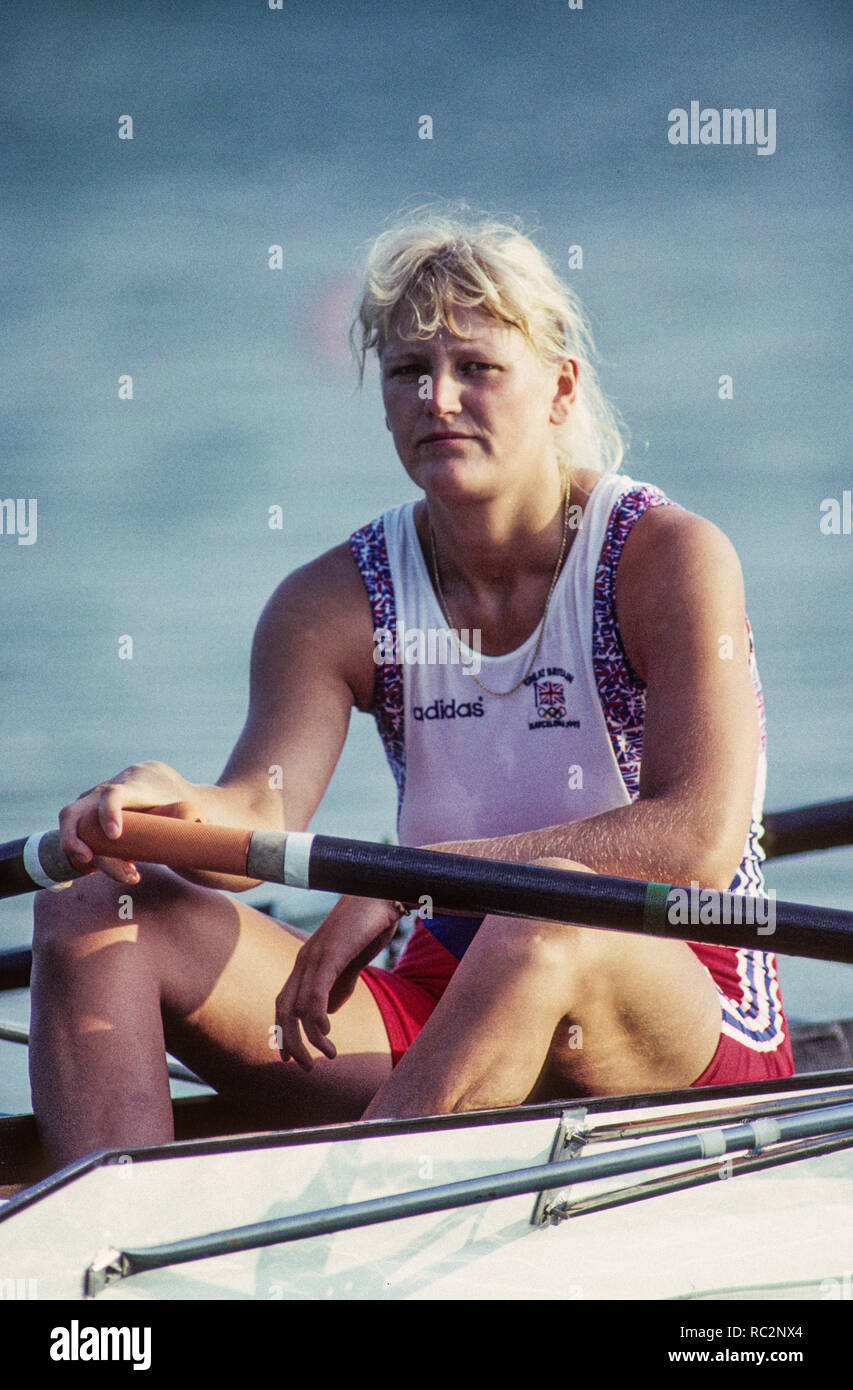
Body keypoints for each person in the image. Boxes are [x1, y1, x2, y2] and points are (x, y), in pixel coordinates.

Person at [30, 212, 793, 1167]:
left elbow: (695, 839)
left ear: (558, 389)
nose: (438, 397)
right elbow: (255, 818)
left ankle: (338, 1238)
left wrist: (413, 881)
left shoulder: (666, 557)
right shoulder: (332, 599)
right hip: (444, 990)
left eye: (475, 366)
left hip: (677, 1004)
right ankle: (108, 1267)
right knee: (93, 909)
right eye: (406, 372)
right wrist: (171, 806)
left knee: (549, 907)